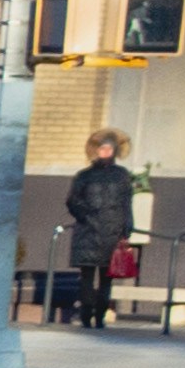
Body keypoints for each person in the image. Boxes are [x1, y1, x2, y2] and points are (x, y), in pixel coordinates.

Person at [60, 128, 140, 332]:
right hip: (88, 231)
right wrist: (85, 216)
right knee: (86, 277)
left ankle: (101, 316)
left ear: (114, 150)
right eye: (101, 148)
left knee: (107, 279)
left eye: (108, 148)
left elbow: (126, 203)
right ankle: (86, 314)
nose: (105, 152)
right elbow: (72, 200)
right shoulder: (84, 176)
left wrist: (127, 228)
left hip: (112, 233)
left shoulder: (122, 175)